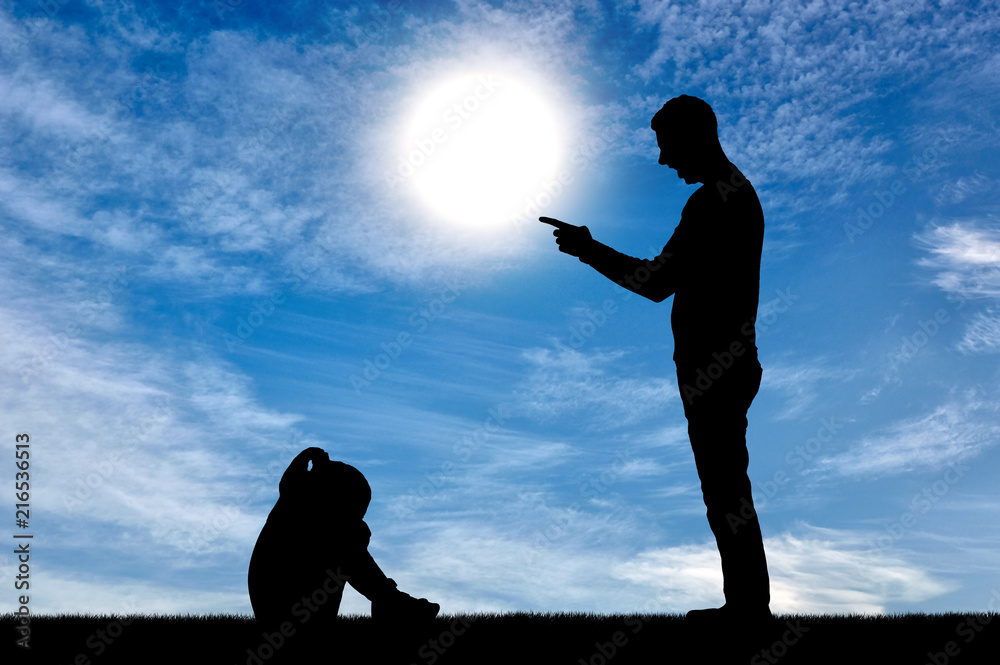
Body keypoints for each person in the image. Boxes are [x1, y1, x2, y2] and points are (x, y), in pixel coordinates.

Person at [540, 95, 771, 628]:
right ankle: (746, 607)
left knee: (726, 491)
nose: (664, 159)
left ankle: (748, 611)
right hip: (723, 365)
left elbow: (656, 282)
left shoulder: (716, 201)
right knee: (725, 490)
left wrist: (587, 249)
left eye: (668, 146)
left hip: (719, 368)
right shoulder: (729, 194)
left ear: (695, 137)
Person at [248, 447, 439, 658]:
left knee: (350, 539)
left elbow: (294, 477)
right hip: (289, 615)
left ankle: (391, 603)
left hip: (288, 614)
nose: (358, 517)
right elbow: (294, 480)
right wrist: (313, 458)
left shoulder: (296, 502)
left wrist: (314, 458)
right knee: (350, 538)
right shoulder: (301, 509)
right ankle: (393, 604)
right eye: (354, 510)